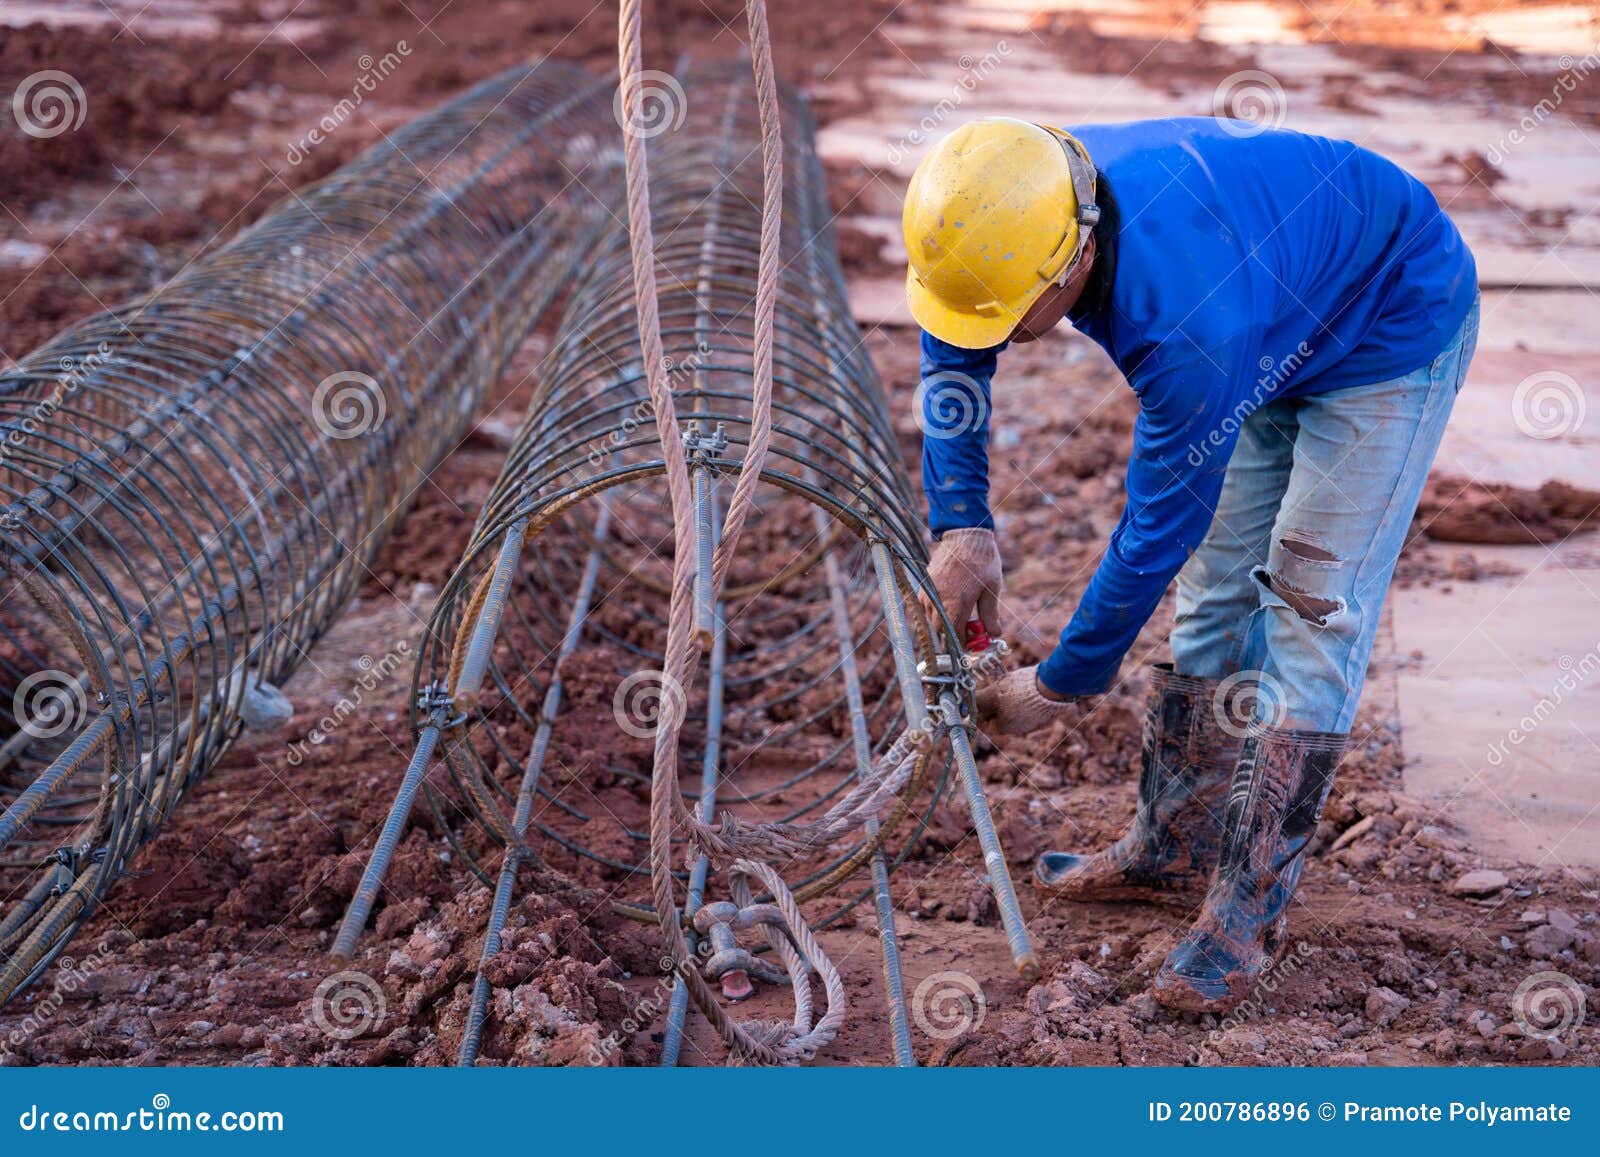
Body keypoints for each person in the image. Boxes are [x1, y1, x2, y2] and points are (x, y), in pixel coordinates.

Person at [904, 116, 1477, 1012]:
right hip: (1273, 298)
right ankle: (1172, 843)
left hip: (1386, 323)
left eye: (1013, 316)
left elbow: (1157, 528)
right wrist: (961, 526)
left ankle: (1247, 910)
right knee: (1216, 593)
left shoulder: (1185, 321)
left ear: (1072, 264)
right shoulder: (1012, 200)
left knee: (1308, 602)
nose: (1002, 335)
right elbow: (956, 350)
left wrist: (1059, 684)